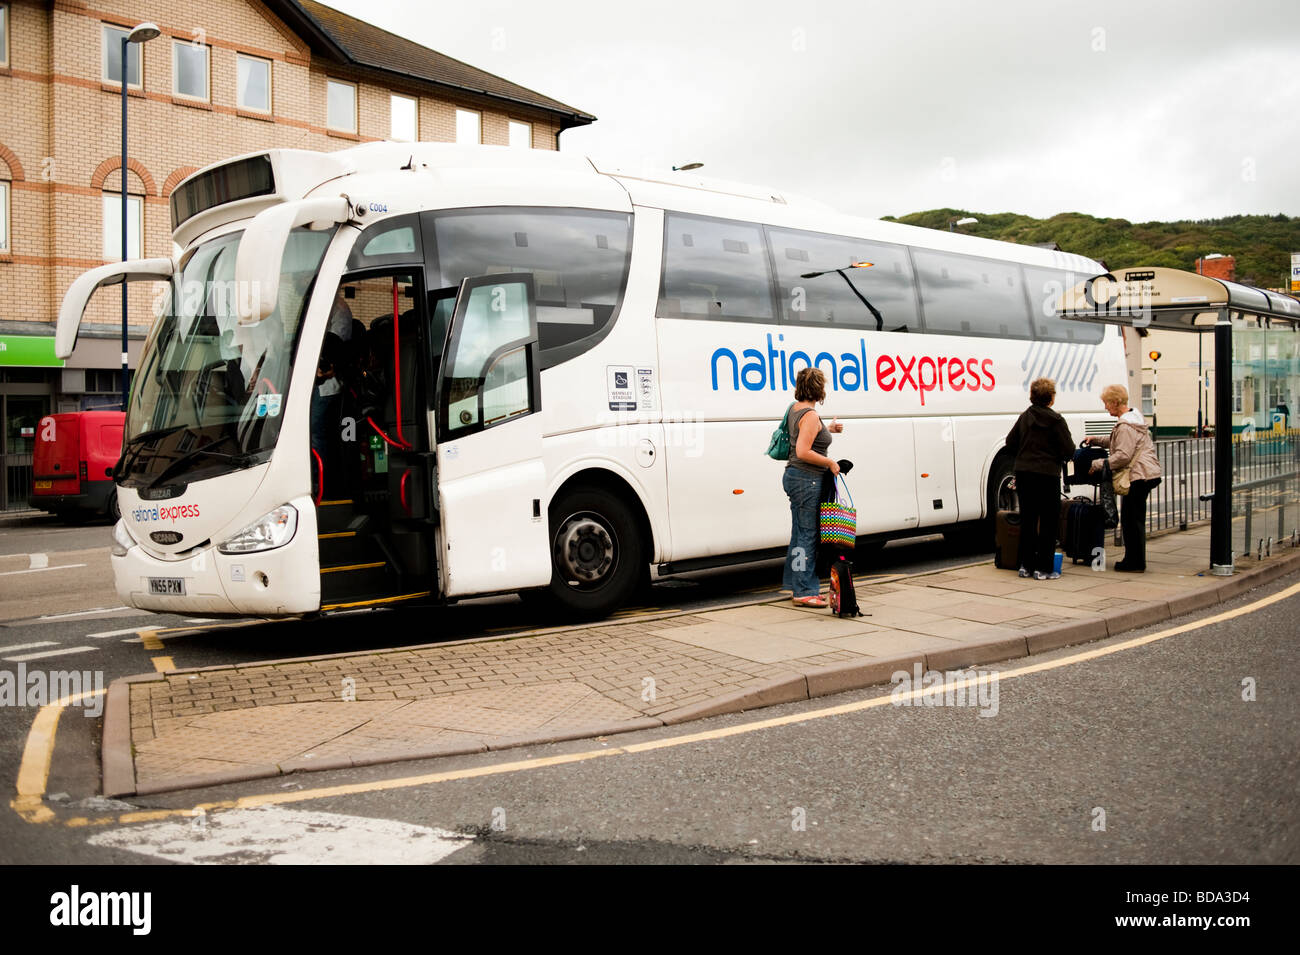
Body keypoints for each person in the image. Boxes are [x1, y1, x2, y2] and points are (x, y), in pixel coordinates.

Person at [782, 367, 844, 607]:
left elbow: (804, 437)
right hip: (806, 479)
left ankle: (796, 586)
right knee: (807, 536)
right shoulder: (809, 415)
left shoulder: (794, 409)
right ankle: (804, 591)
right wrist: (830, 462)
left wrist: (828, 430)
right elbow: (803, 450)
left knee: (799, 534)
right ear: (819, 389)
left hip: (797, 478)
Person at [1085, 384, 1162, 572]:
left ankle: (1134, 562)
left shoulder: (1126, 425)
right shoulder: (1133, 419)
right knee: (1134, 519)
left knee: (1131, 521)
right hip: (1145, 473)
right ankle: (1135, 559)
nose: (1105, 407)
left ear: (1115, 402)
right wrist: (1096, 439)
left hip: (1138, 476)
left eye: (1106, 403)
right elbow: (1117, 442)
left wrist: (1097, 464)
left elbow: (1123, 456)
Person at [1004, 377, 1074, 580]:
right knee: (1049, 522)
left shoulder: (1025, 416)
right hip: (1047, 474)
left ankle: (1026, 565)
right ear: (1051, 398)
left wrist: (1025, 454)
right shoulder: (1057, 420)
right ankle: (1044, 568)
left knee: (1028, 520)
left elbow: (1010, 442)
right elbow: (1068, 449)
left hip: (1025, 473)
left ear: (1032, 396)